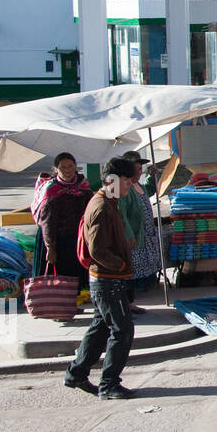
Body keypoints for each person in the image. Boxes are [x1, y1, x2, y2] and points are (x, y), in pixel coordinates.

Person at [64, 157, 139, 399]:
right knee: (123, 330)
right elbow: (97, 249)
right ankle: (109, 384)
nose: (129, 184)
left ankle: (77, 373)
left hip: (106, 278)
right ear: (113, 180)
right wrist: (120, 265)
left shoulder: (110, 202)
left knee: (100, 327)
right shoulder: (101, 206)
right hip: (107, 279)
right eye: (126, 180)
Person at [32, 152, 93, 290]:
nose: (67, 170)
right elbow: (47, 221)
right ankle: (59, 304)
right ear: (55, 170)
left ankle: (74, 300)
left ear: (75, 167)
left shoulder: (83, 186)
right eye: (62, 167)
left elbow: (90, 210)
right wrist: (50, 248)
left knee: (77, 275)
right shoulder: (51, 190)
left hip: (77, 238)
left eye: (70, 166)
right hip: (55, 240)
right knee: (59, 276)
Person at [118, 151, 159, 312]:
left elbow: (149, 190)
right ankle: (126, 304)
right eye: (136, 169)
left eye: (140, 169)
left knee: (136, 271)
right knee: (129, 271)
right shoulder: (123, 190)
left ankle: (130, 302)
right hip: (133, 237)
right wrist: (129, 235)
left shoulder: (138, 186)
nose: (139, 172)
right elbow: (122, 214)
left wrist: (151, 177)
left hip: (144, 236)